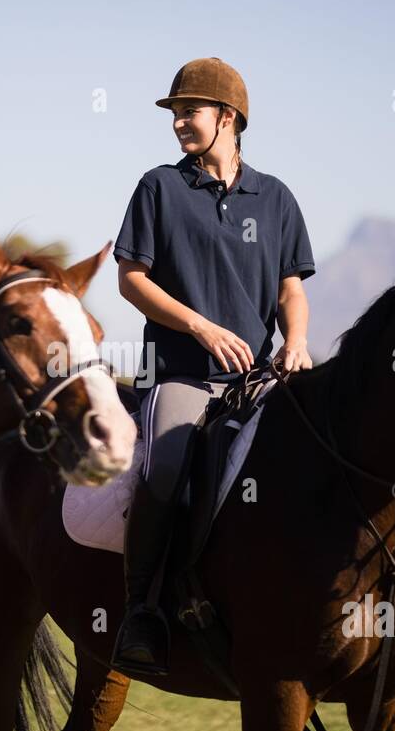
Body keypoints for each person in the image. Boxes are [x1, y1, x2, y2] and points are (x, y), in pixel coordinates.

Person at [110, 57, 317, 677]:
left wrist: (297, 342)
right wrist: (198, 325)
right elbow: (130, 280)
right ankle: (140, 610)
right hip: (179, 374)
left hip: (257, 381)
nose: (177, 122)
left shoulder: (275, 196)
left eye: (188, 111)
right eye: (174, 112)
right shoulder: (159, 187)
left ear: (229, 118)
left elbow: (291, 290)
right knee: (167, 464)